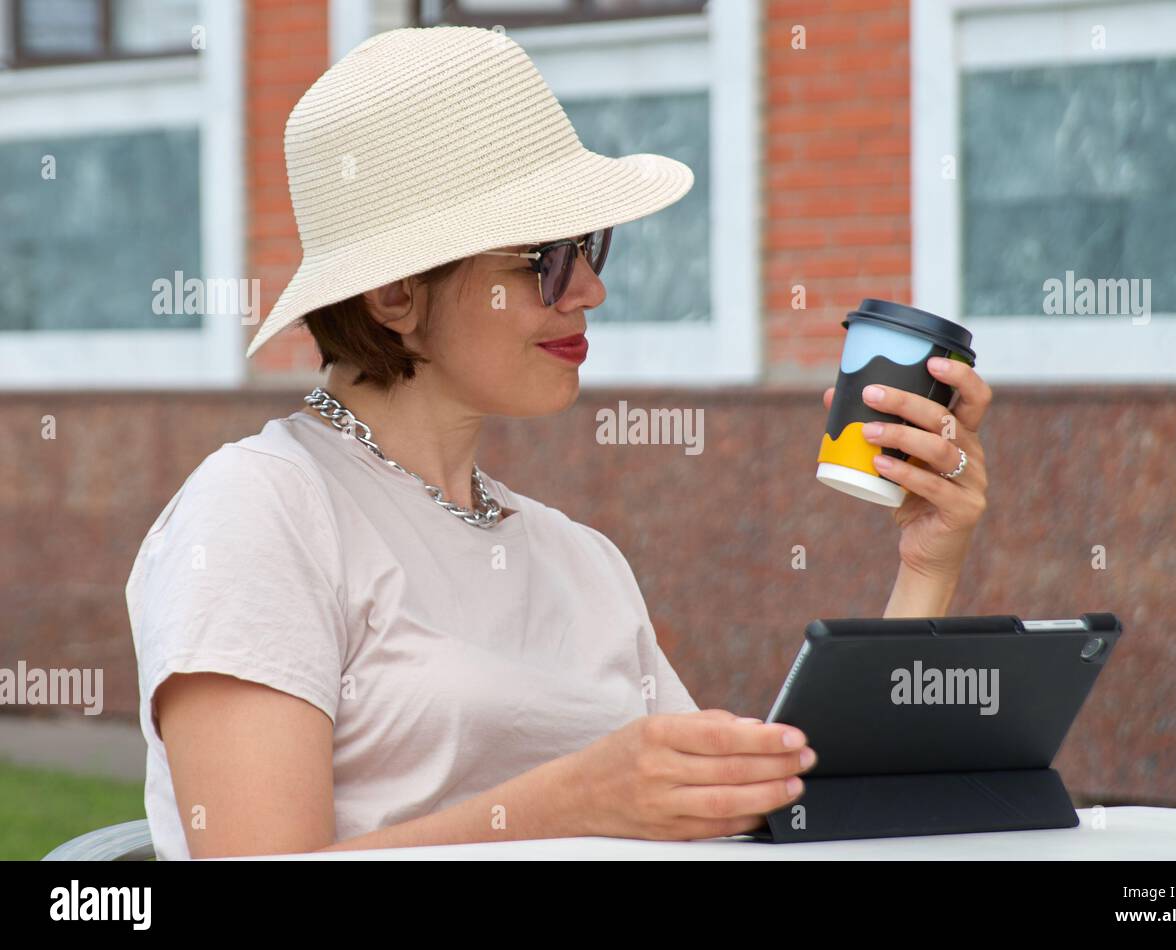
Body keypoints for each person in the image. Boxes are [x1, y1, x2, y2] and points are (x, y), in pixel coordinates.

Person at [126, 27, 992, 860]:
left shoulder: (582, 562)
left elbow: (775, 826)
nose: (590, 289)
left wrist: (926, 566)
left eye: (588, 246)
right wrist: (569, 806)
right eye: (542, 258)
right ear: (394, 294)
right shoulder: (259, 510)